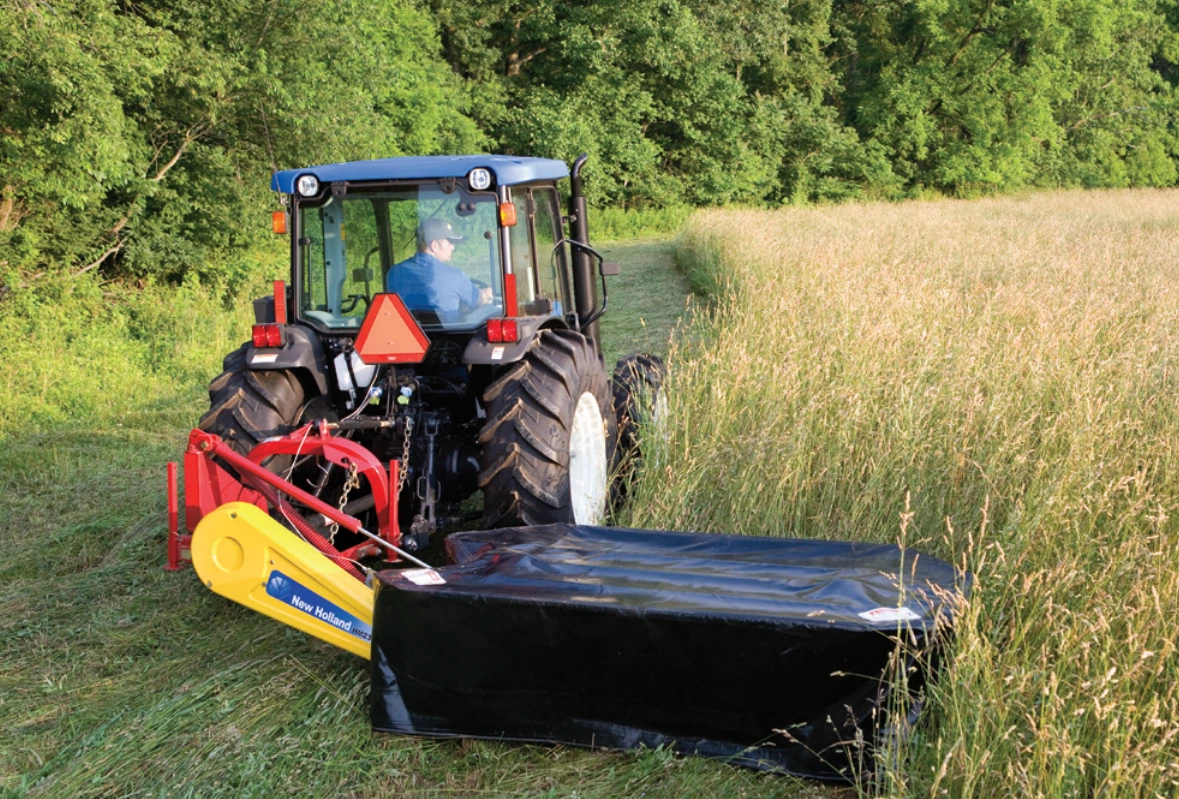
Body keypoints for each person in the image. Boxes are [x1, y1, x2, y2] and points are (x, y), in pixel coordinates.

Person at [386, 218, 493, 324]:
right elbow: (480, 300)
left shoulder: (394, 273)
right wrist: (487, 293)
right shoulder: (456, 276)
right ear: (435, 245)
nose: (453, 247)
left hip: (408, 335)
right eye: (450, 242)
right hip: (447, 335)